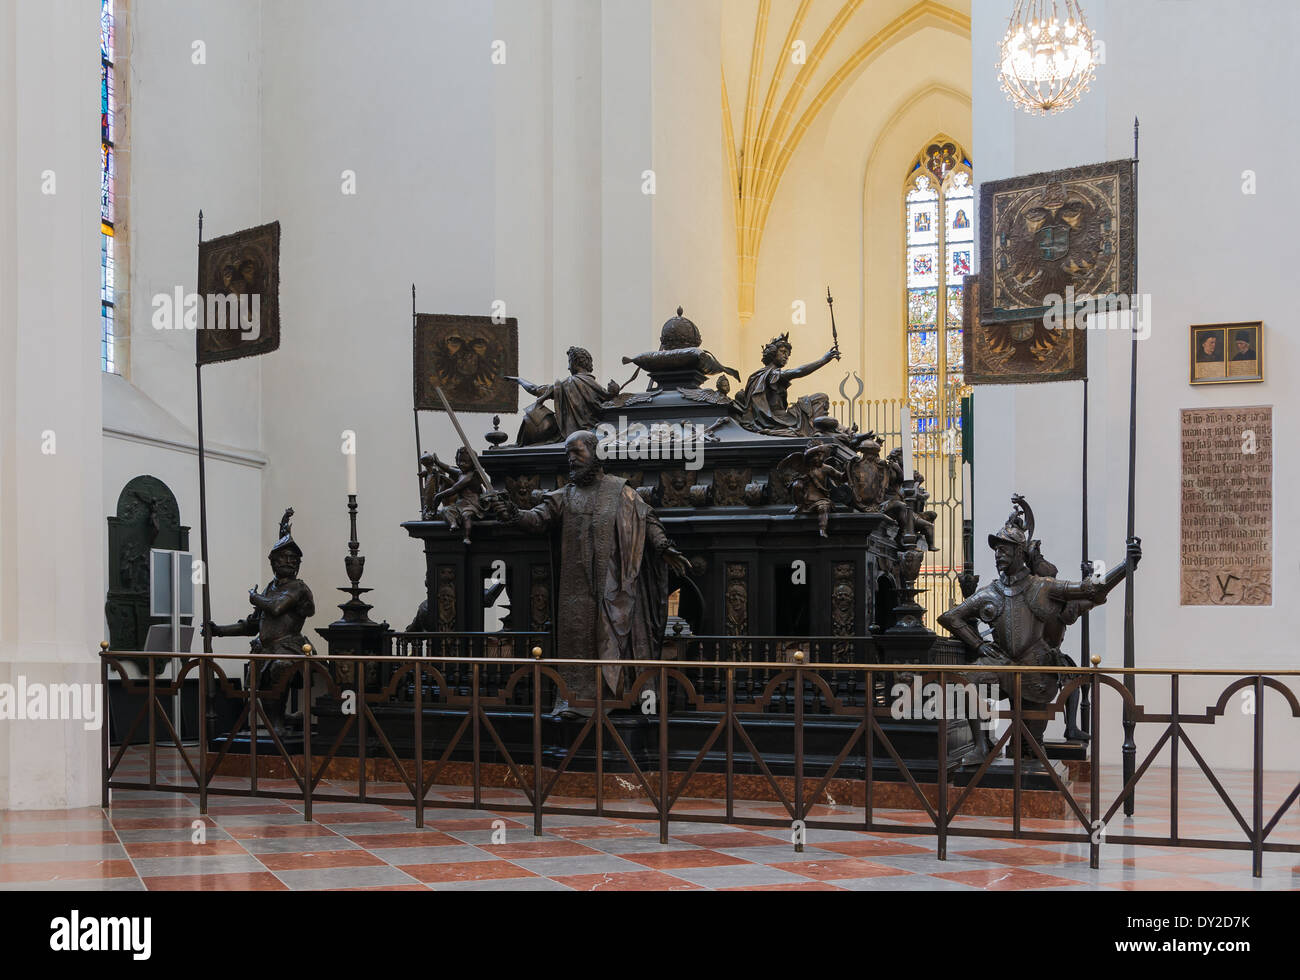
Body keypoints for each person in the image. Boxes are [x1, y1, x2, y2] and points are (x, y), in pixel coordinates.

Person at [489, 431, 691, 718]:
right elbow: (536, 519)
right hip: (577, 585)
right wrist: (510, 512)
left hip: (613, 584)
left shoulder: (619, 490)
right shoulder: (564, 495)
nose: (571, 460)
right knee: (579, 642)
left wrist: (662, 546)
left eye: (577, 452)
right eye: (567, 454)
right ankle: (576, 702)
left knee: (616, 640)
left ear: (596, 454)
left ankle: (623, 697)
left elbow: (646, 518)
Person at [938, 497, 1139, 759]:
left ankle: (1044, 747)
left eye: (1004, 550)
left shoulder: (1043, 586)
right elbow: (950, 617)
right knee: (966, 682)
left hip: (1035, 667)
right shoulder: (991, 592)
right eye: (996, 550)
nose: (998, 555)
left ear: (1020, 552)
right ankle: (981, 745)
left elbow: (1092, 589)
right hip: (1000, 665)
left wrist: (1124, 566)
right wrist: (979, 644)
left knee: (1031, 746)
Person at [204, 509, 315, 735]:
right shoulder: (270, 588)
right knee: (260, 677)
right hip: (265, 647)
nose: (288, 561)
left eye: (293, 559)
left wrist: (255, 598)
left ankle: (280, 721)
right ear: (273, 562)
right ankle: (281, 719)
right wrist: (219, 631)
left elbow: (276, 608)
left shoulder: (297, 587)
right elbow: (253, 624)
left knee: (279, 667)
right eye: (283, 558)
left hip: (289, 646)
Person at [732, 333, 840, 436]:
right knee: (820, 398)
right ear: (773, 353)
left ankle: (822, 431)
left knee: (820, 402)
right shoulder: (770, 374)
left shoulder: (765, 375)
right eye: (783, 352)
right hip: (776, 419)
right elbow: (798, 371)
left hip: (780, 417)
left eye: (788, 354)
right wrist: (824, 360)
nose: (786, 356)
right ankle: (818, 432)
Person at [506, 346, 614, 445]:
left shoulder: (565, 384)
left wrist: (519, 380)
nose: (568, 367)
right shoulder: (596, 386)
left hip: (568, 436)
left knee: (532, 416)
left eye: (569, 362)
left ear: (575, 362)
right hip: (592, 434)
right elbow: (610, 402)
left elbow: (535, 390)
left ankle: (519, 444)